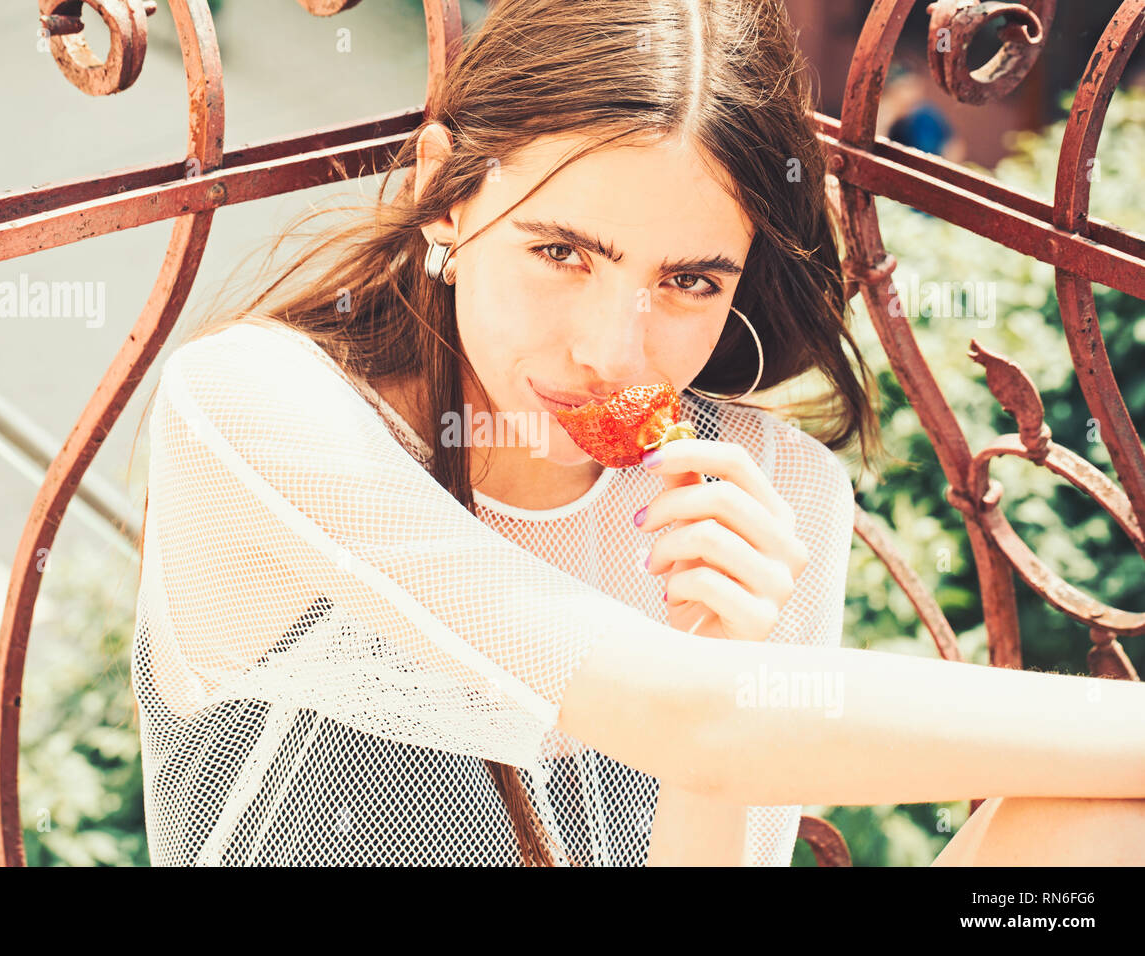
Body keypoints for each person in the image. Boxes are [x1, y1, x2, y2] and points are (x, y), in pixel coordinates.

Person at [131, 0, 1145, 867]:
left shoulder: (761, 487)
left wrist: (727, 652)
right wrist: (728, 694)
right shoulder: (255, 406)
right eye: (562, 250)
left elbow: (712, 759)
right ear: (444, 190)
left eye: (689, 280)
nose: (614, 352)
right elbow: (697, 716)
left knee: (1102, 829)